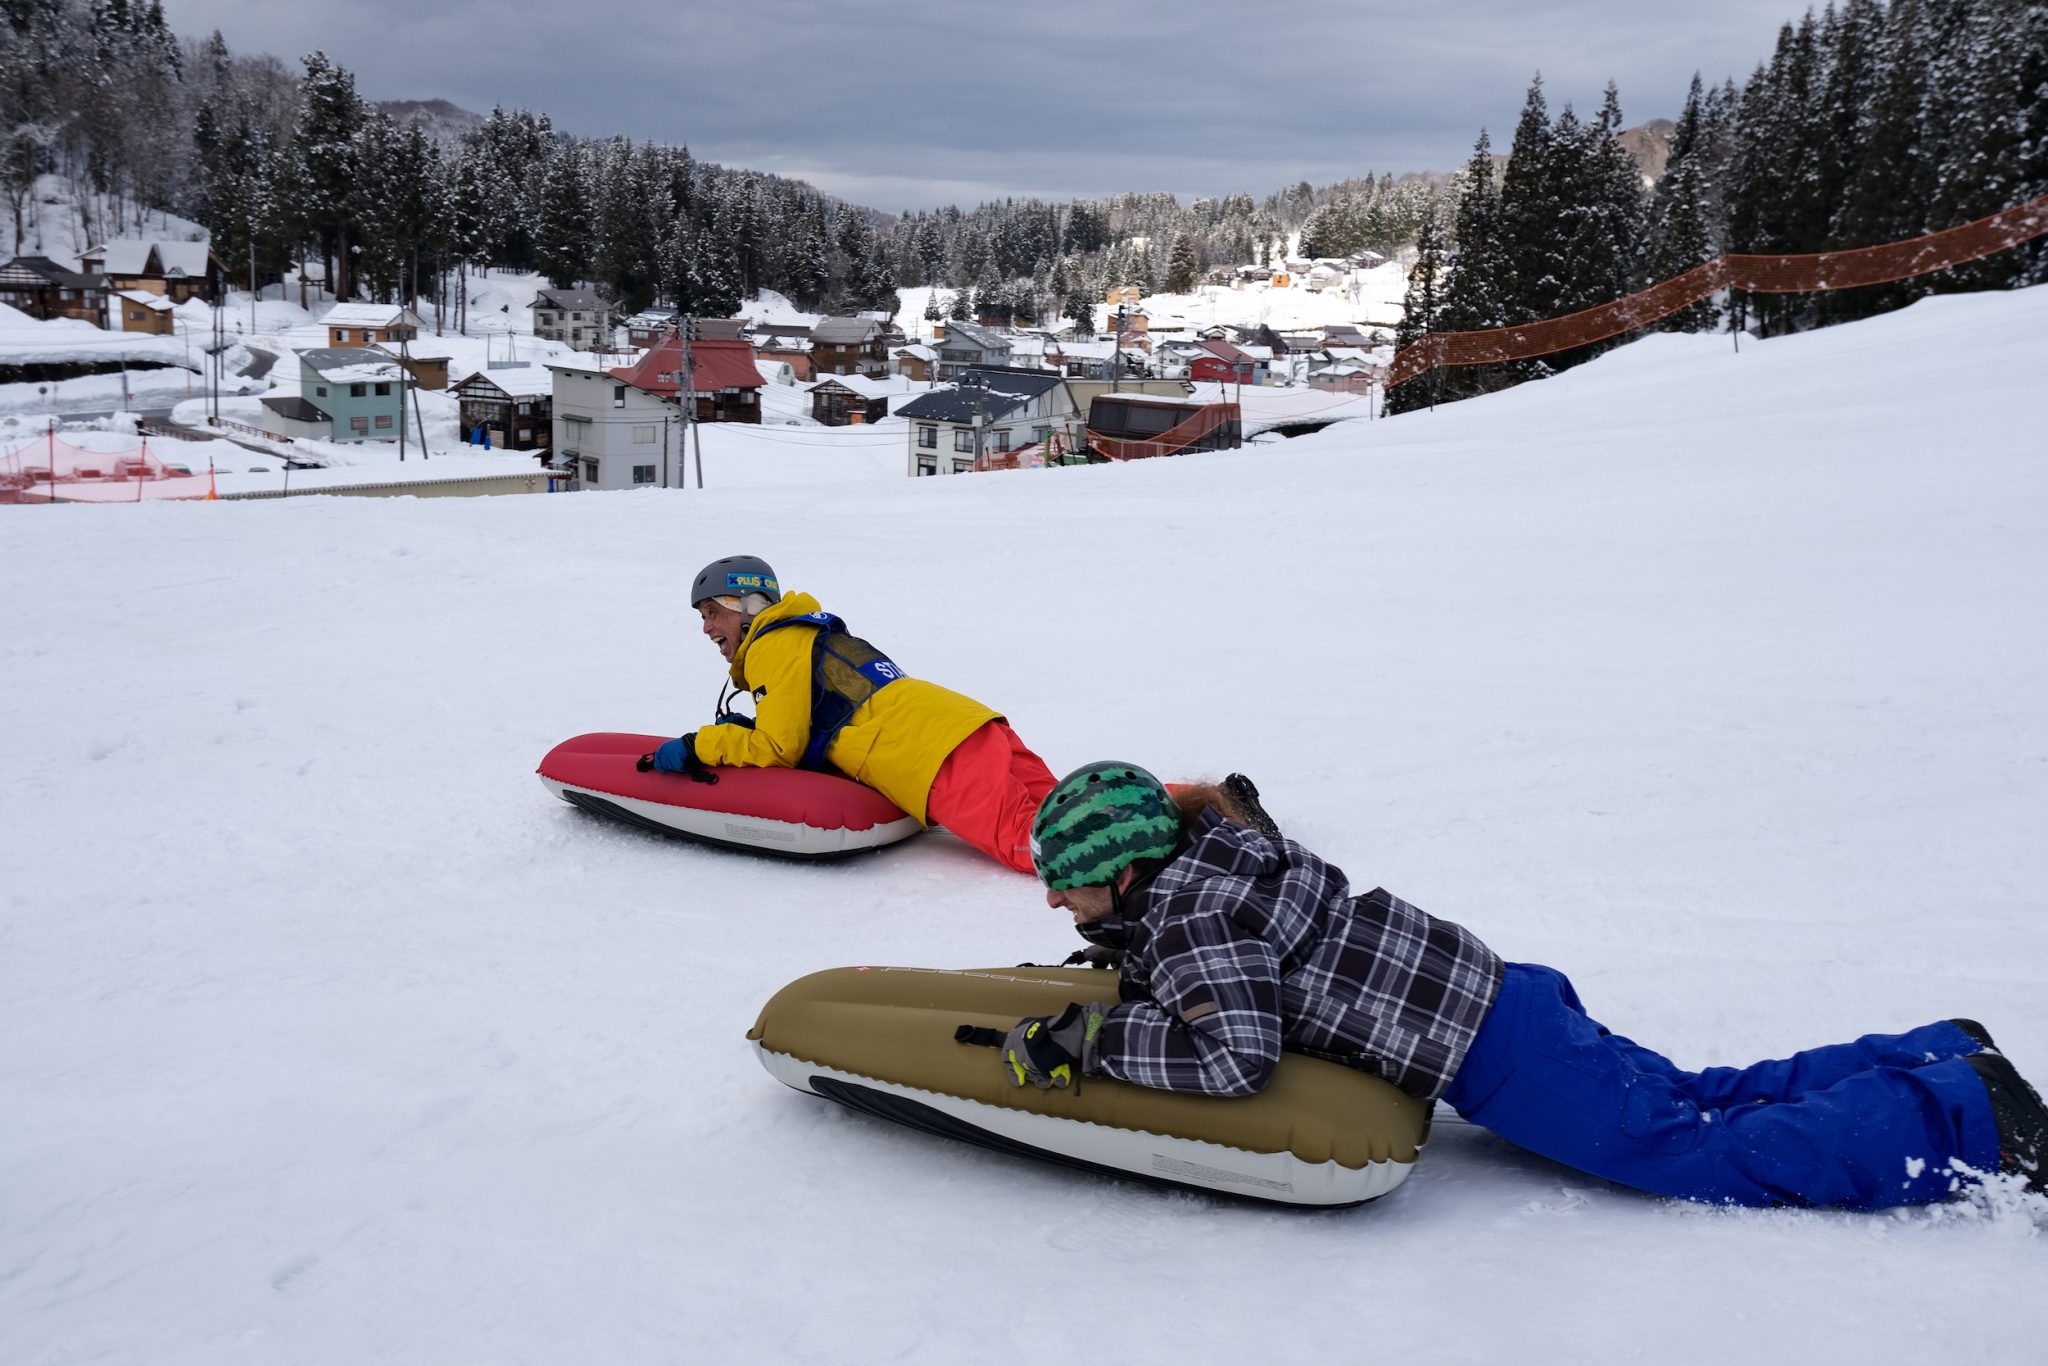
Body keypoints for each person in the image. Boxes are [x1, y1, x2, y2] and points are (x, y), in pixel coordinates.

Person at [998, 761, 2048, 1210]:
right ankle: (1928, 1054)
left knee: (1683, 1149)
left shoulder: (1189, 920)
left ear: (1128, 870)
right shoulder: (1221, 860)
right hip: (1502, 990)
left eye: (1070, 886)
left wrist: (1089, 1045)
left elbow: (1234, 1056)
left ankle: (1965, 1120)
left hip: (1493, 1055)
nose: (1058, 904)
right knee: (1695, 1091)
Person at [648, 555, 1059, 873]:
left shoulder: (771, 647)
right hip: (967, 722)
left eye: (712, 612)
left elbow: (778, 747)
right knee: (1068, 813)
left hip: (930, 753)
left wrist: (698, 746)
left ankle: (1118, 886)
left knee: (1037, 847)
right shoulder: (805, 634)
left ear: (748, 606)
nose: (706, 628)